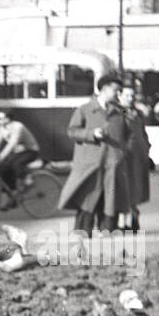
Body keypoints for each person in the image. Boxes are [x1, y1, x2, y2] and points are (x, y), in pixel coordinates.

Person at [58, 72, 124, 234]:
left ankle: (106, 243)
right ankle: (82, 244)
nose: (117, 94)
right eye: (115, 90)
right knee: (87, 203)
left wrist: (122, 155)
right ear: (104, 89)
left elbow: (128, 136)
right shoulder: (85, 110)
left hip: (111, 167)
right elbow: (72, 131)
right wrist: (91, 134)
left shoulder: (119, 112)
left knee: (109, 205)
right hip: (90, 167)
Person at [111, 83, 151, 233]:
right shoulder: (116, 113)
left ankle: (134, 216)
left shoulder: (138, 113)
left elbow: (142, 132)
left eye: (132, 95)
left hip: (138, 156)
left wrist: (147, 148)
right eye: (126, 95)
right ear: (119, 96)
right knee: (125, 187)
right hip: (124, 156)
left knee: (135, 187)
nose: (130, 98)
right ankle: (124, 220)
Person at [0, 110, 41, 207]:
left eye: (0, 118)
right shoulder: (2, 128)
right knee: (3, 169)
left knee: (16, 164)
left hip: (31, 150)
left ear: (8, 119)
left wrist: (1, 157)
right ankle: (12, 195)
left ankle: (28, 180)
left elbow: (12, 144)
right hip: (18, 152)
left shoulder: (18, 127)